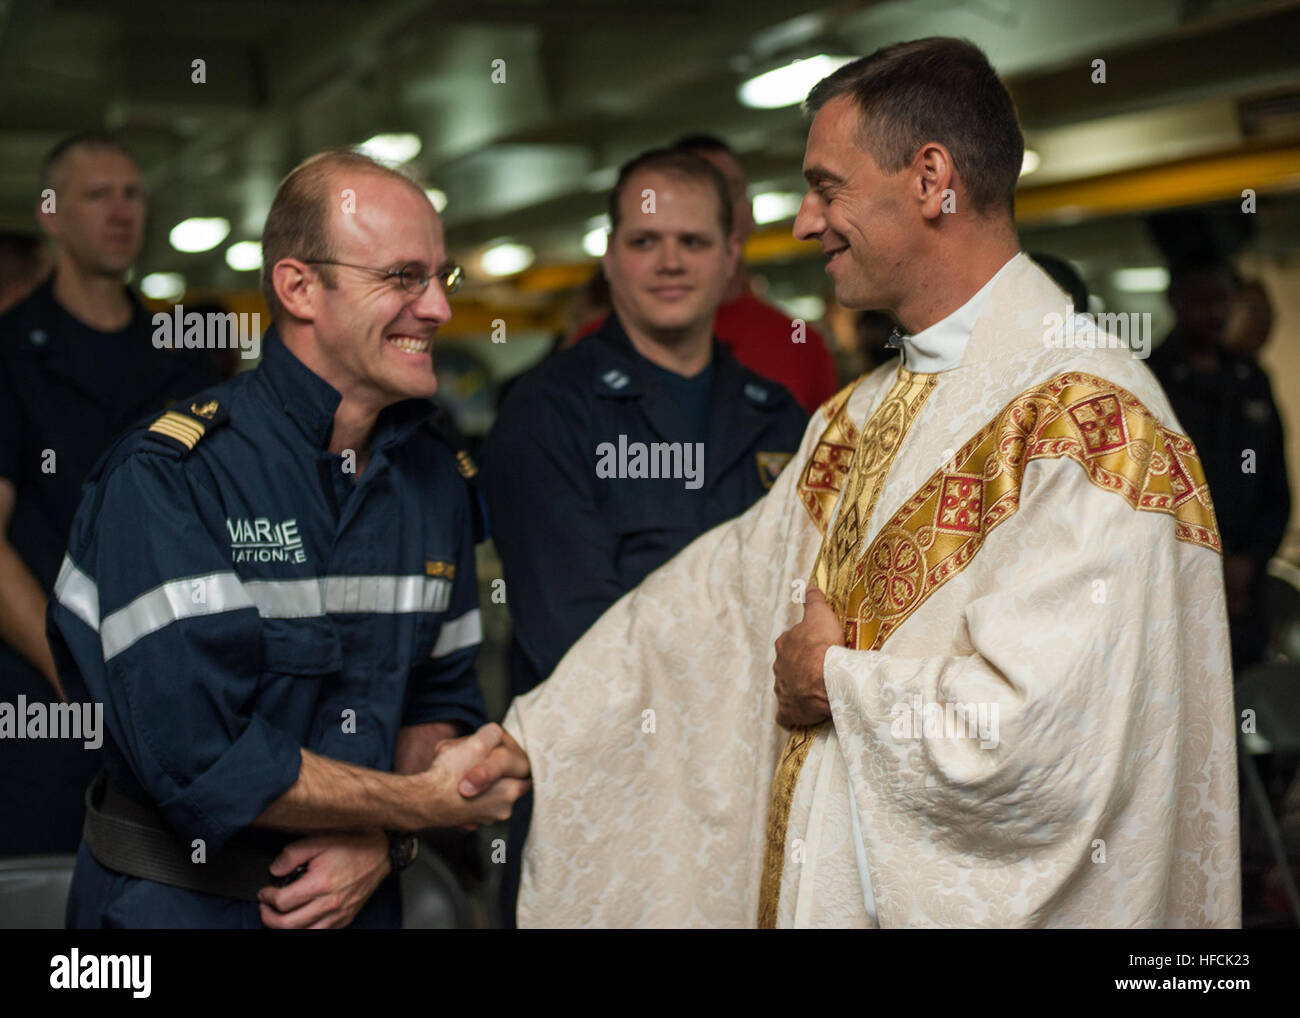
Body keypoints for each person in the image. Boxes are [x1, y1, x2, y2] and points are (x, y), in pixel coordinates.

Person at [488, 37, 1240, 927]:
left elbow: (1044, 740)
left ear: (930, 179)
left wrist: (832, 682)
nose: (805, 221)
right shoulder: (854, 415)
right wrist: (537, 737)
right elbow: (712, 605)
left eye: (827, 186)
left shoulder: (1091, 420)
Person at [48, 149, 529, 929]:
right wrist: (413, 807)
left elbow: (437, 698)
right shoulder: (171, 479)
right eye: (404, 278)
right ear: (300, 287)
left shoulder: (434, 476)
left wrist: (385, 835)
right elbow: (203, 761)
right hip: (178, 909)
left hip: (363, 900)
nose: (438, 307)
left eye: (443, 277)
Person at [481, 147, 809, 924]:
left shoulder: (783, 418)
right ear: (609, 254)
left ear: (732, 257)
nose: (670, 262)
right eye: (644, 241)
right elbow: (578, 640)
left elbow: (812, 605)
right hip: (600, 805)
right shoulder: (546, 415)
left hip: (747, 804)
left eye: (693, 242)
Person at [0, 133, 222, 858]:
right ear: (52, 213)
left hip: (169, 696)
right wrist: (76, 674)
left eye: (133, 193)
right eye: (99, 195)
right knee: (53, 896)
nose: (121, 211)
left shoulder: (183, 357)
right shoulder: (9, 353)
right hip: (46, 699)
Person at [569, 137, 839, 414]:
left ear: (750, 213)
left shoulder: (800, 342)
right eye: (690, 188)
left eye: (727, 190)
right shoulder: (593, 345)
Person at [1148, 260, 1290, 673]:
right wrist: (1207, 560)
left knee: (1249, 701)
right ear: (1175, 301)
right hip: (1180, 589)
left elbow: (1275, 485)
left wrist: (1251, 559)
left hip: (1246, 591)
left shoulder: (1250, 379)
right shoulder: (1152, 379)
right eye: (1200, 300)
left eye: (1221, 299)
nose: (1213, 312)